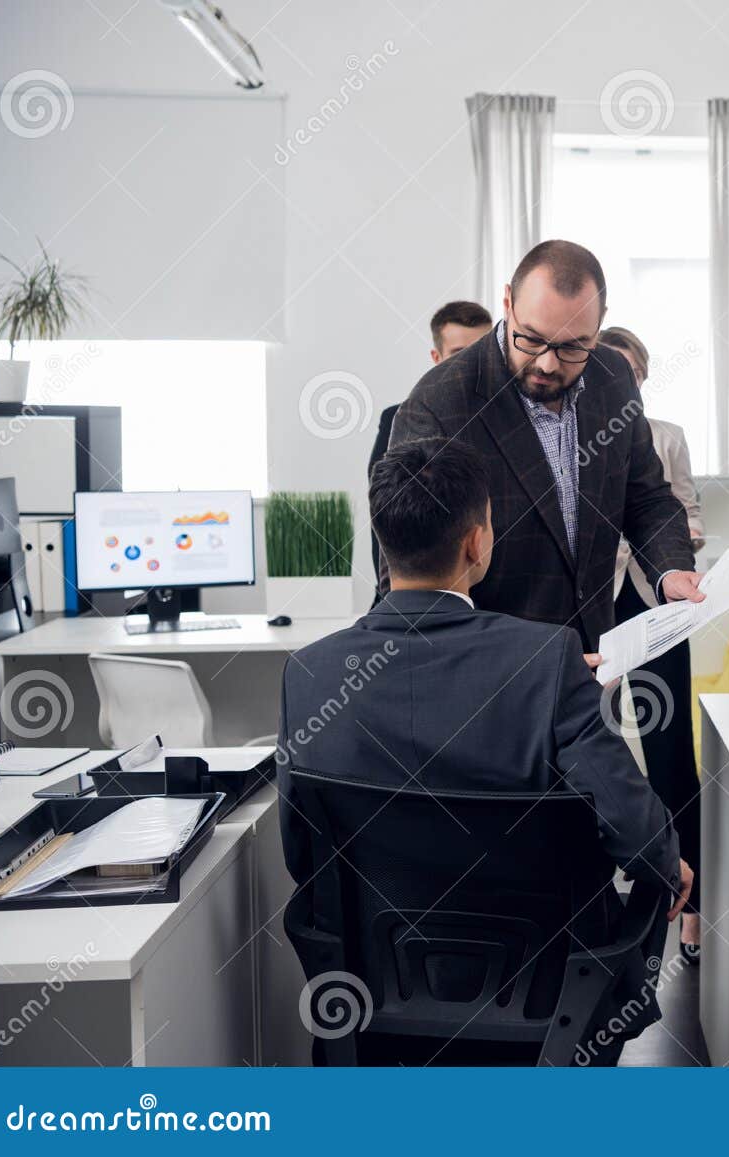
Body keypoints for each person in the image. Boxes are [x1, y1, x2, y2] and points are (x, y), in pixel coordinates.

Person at [279, 436, 693, 1064]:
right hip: (547, 1002)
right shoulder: (548, 659)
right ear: (477, 542)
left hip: (376, 999)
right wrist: (670, 865)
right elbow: (635, 832)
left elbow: (301, 849)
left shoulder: (311, 671)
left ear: (383, 545)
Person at [384, 241, 704, 651]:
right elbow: (412, 583)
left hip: (596, 668)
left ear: (600, 322)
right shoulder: (439, 404)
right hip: (495, 683)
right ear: (507, 303)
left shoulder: (614, 378)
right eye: (531, 340)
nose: (548, 365)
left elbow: (647, 497)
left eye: (573, 346)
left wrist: (670, 569)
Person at [598, 325, 706, 965]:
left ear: (641, 377)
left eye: (630, 372)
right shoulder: (575, 437)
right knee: (597, 747)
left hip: (658, 600)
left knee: (670, 753)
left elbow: (687, 512)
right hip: (597, 603)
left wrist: (674, 543)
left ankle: (691, 909)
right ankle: (612, 894)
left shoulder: (666, 437)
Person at [368, 301, 493, 588]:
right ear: (437, 357)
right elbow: (389, 514)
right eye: (461, 355)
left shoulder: (512, 419)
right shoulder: (402, 419)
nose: (473, 366)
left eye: (482, 353)